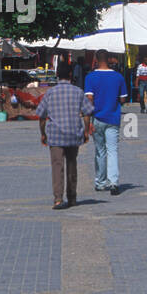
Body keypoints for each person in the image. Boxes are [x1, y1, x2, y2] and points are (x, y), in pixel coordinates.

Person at [37, 61, 94, 210]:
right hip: (73, 134)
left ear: (57, 75)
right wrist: (86, 131)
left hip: (55, 135)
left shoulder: (50, 93)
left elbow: (41, 116)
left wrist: (43, 134)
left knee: (57, 166)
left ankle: (58, 199)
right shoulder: (78, 91)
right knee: (71, 164)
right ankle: (72, 197)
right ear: (70, 75)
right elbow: (87, 113)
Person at [85, 49, 129, 195]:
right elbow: (123, 99)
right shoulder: (118, 77)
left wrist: (88, 121)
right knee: (112, 150)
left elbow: (89, 99)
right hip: (113, 117)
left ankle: (100, 182)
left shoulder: (90, 77)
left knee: (100, 151)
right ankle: (114, 182)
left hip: (97, 117)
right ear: (109, 59)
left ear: (96, 59)